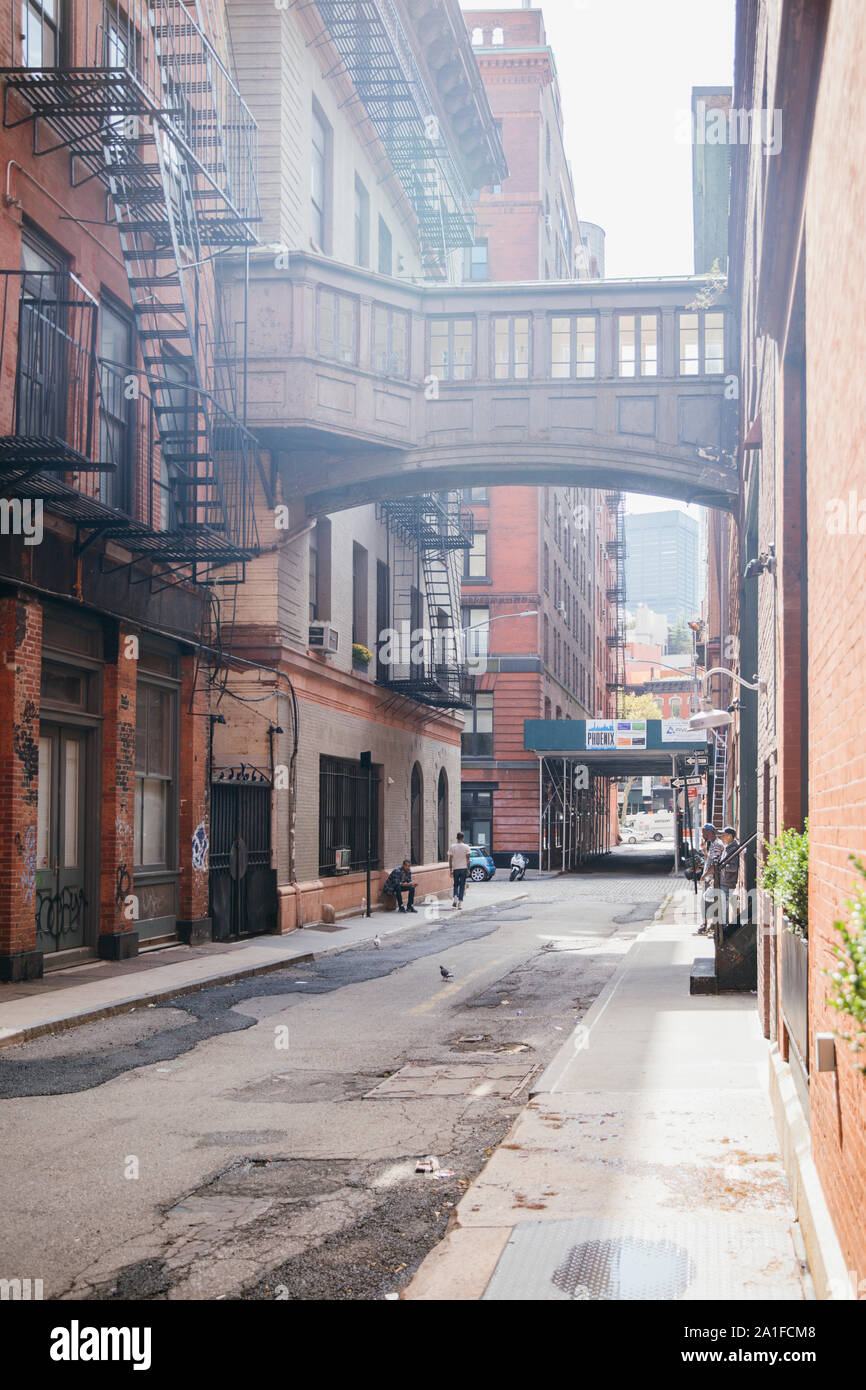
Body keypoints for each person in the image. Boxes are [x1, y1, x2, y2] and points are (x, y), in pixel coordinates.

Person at [695, 823, 723, 936]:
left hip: (711, 878)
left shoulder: (716, 844)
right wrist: (704, 850)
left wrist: (704, 875)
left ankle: (708, 924)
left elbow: (715, 864)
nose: (702, 834)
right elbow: (709, 859)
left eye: (703, 832)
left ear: (709, 832)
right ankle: (707, 923)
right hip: (709, 877)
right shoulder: (711, 844)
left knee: (707, 901)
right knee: (706, 901)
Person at [717, 825, 741, 927]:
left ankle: (724, 927)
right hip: (724, 881)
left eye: (724, 835)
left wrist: (722, 866)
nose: (722, 837)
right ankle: (723, 926)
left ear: (730, 836)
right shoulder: (728, 848)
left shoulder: (732, 849)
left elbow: (734, 867)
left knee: (724, 906)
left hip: (727, 882)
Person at [448, 832, 471, 909]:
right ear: (463, 838)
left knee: (455, 884)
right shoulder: (466, 847)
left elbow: (450, 859)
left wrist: (450, 869)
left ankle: (455, 897)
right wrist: (468, 869)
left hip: (456, 869)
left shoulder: (452, 847)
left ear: (456, 838)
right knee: (462, 886)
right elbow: (468, 859)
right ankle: (460, 904)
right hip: (464, 868)